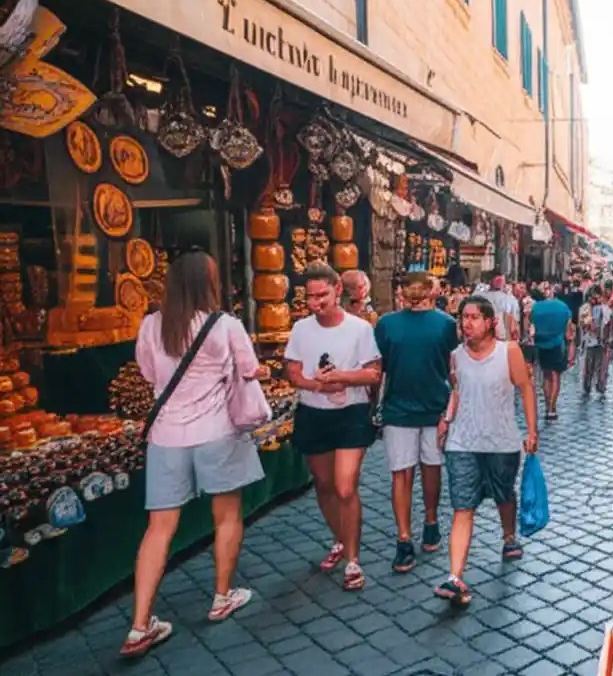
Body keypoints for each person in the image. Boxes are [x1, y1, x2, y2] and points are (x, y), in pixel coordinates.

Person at [121, 252, 264, 657]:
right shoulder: (226, 325)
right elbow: (249, 368)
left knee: (159, 528)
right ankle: (222, 596)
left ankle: (139, 625)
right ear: (209, 283)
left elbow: (149, 374)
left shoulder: (152, 325)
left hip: (167, 436)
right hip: (217, 431)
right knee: (227, 516)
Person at [434, 297, 538, 606]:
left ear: (490, 322)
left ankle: (508, 537)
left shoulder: (510, 352)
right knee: (462, 507)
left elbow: (526, 389)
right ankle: (454, 577)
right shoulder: (455, 356)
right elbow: (457, 391)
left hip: (501, 441)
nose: (467, 323)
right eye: (463, 317)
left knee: (504, 494)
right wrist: (446, 418)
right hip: (462, 442)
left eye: (474, 317)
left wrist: (532, 431)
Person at [284, 263, 382, 591]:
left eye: (322, 295)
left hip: (351, 412)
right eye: (310, 297)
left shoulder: (359, 329)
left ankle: (353, 560)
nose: (316, 303)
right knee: (324, 485)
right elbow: (293, 372)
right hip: (314, 413)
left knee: (344, 486)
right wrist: (316, 386)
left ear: (337, 290)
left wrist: (341, 377)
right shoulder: (301, 329)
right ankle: (340, 540)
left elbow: (373, 374)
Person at [374, 273, 458, 572]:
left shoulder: (387, 324)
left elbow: (378, 369)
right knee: (426, 469)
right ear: (431, 292)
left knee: (405, 473)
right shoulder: (446, 324)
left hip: (408, 406)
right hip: (428, 406)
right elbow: (453, 369)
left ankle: (407, 536)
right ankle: (425, 525)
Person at [529, 288, 573, 419]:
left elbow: (531, 324)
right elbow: (568, 331)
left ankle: (548, 405)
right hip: (557, 344)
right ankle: (552, 407)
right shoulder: (563, 307)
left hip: (541, 344)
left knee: (546, 375)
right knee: (555, 376)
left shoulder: (536, 307)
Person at [579, 286, 613, 398]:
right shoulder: (585, 308)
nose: (595, 300)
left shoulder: (605, 309)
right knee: (588, 368)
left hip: (600, 343)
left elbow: (609, 324)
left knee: (600, 367)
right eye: (593, 297)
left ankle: (600, 385)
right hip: (588, 342)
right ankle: (587, 386)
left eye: (597, 297)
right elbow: (585, 324)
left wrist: (608, 339)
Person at [480, 274, 520, 342]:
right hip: (505, 337)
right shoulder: (511, 299)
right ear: (503, 285)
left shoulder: (482, 298)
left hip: (486, 337)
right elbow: (515, 321)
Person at [513, 281, 537, 379]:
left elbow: (527, 319)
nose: (518, 290)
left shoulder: (528, 302)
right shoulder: (514, 301)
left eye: (522, 288)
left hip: (527, 339)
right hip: (518, 338)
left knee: (527, 364)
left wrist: (525, 335)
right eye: (517, 288)